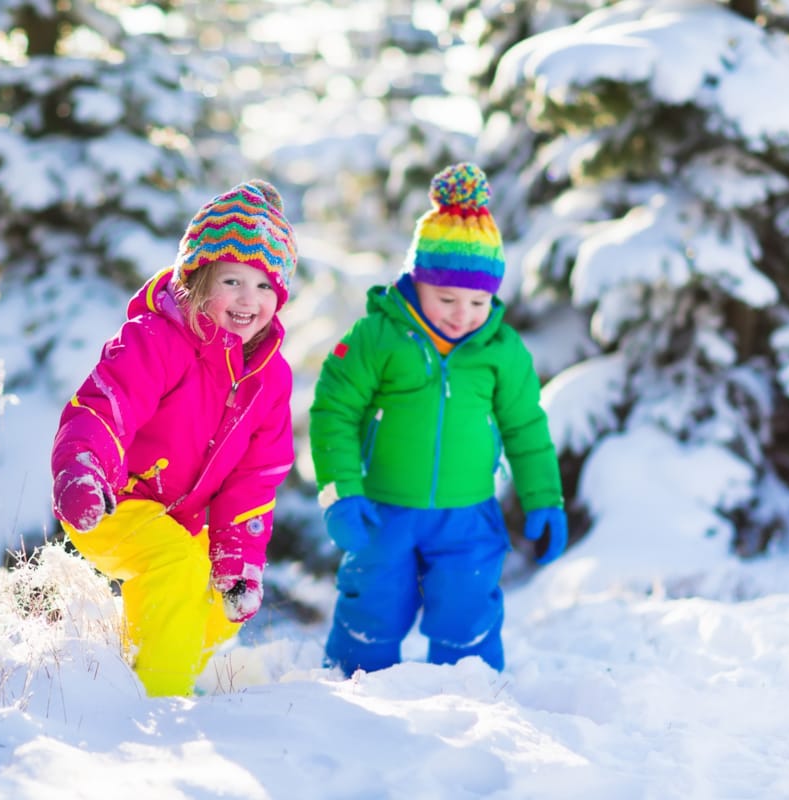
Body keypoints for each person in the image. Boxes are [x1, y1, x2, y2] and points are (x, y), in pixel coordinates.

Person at [309, 162, 567, 676]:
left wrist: (544, 497)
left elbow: (525, 428)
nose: (462, 313)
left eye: (478, 300)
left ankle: (468, 698)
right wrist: (342, 492)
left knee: (467, 614)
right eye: (446, 298)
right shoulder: (376, 337)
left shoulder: (501, 350)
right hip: (383, 510)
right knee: (371, 611)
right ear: (417, 280)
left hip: (468, 516)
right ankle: (352, 696)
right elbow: (334, 411)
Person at [50, 179, 297, 697]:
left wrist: (237, 557)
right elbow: (106, 406)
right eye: (232, 280)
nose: (248, 299)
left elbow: (256, 475)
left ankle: (137, 668)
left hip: (183, 520)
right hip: (115, 499)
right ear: (199, 279)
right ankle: (159, 704)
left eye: (264, 286)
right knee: (176, 565)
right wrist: (84, 468)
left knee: (220, 599)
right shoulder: (155, 339)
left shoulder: (269, 377)